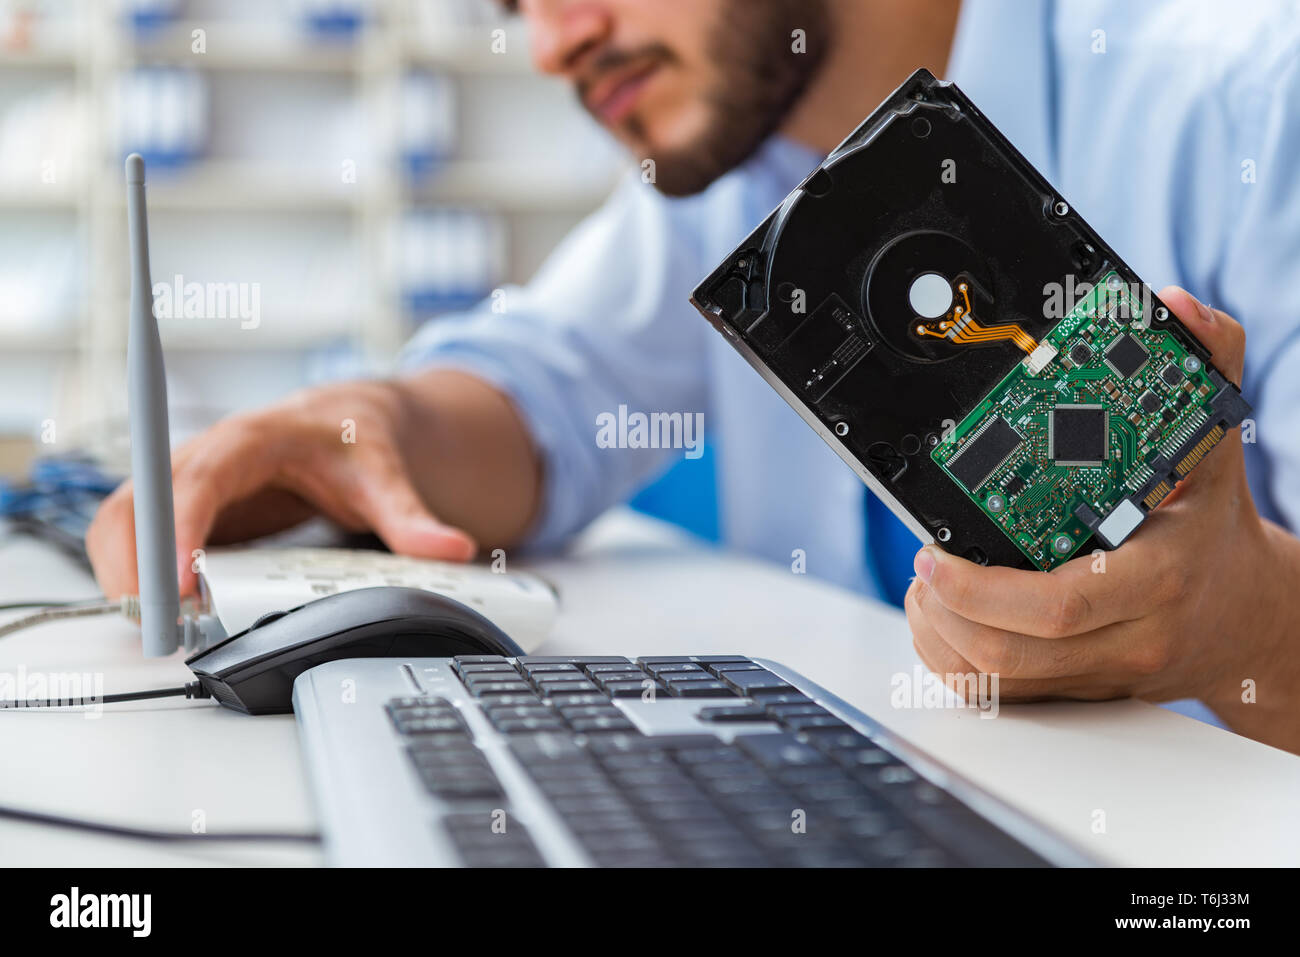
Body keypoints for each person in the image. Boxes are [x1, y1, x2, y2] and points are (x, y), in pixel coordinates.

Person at [87, 0, 1300, 753]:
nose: (553, 40)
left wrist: (1242, 623)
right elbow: (534, 397)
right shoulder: (727, 175)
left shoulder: (1254, 94)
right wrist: (359, 428)